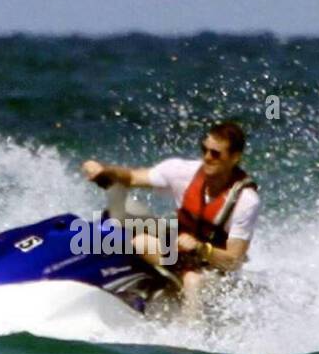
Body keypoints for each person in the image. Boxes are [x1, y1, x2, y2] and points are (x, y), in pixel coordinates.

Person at [81, 120, 259, 315]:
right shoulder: (182, 171)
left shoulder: (245, 201)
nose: (207, 157)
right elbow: (131, 177)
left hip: (213, 271)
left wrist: (201, 248)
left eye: (216, 154)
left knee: (192, 281)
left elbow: (233, 261)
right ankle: (119, 284)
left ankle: (188, 335)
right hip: (179, 251)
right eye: (204, 149)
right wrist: (104, 172)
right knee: (129, 224)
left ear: (234, 158)